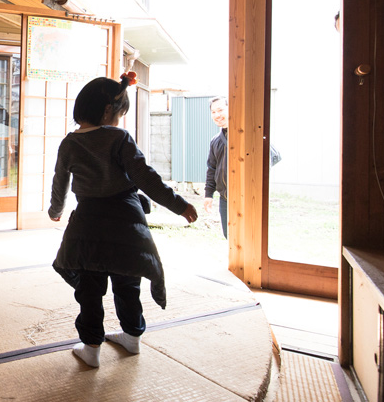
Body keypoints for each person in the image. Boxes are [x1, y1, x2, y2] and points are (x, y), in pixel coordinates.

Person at [48, 74, 198, 368]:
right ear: (107, 111)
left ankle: (91, 347)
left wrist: (56, 209)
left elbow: (60, 182)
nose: (119, 120)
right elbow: (146, 177)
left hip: (88, 223)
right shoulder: (119, 138)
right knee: (127, 282)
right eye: (120, 114)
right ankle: (132, 337)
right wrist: (178, 205)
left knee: (90, 288)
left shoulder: (69, 143)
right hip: (126, 222)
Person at [203, 96, 280, 239]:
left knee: (250, 239)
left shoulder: (247, 134)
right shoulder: (215, 141)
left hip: (248, 199)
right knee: (230, 237)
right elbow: (212, 169)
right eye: (213, 112)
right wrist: (208, 195)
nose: (217, 115)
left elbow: (269, 158)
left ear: (230, 109)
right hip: (225, 199)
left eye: (220, 110)